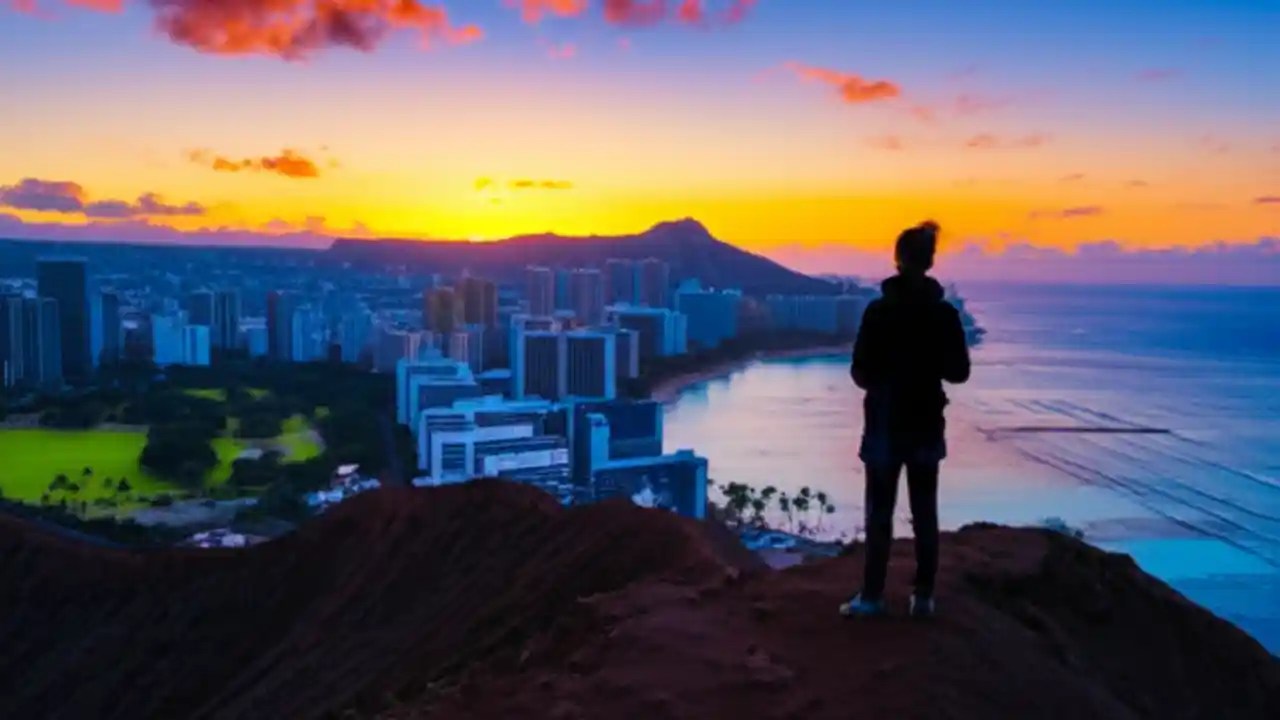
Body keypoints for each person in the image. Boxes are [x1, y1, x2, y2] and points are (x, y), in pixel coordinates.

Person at [839, 221, 971, 619]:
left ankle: (873, 596)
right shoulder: (944, 314)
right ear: (930, 261)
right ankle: (923, 597)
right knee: (924, 510)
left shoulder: (879, 312)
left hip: (884, 423)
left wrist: (885, 381)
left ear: (897, 260)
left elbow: (859, 372)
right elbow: (959, 372)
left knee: (879, 511)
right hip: (926, 422)